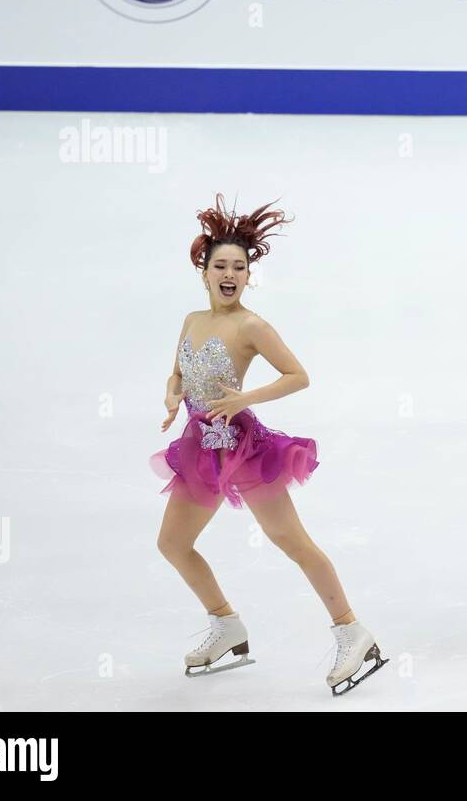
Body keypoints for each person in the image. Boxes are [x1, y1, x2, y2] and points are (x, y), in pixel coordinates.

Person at [151, 193, 386, 694]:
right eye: (221, 265)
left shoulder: (251, 325)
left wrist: (244, 399)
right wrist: (173, 400)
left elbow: (298, 376)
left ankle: (352, 630)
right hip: (200, 446)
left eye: (240, 266)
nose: (230, 273)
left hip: (244, 448)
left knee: (290, 541)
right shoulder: (192, 320)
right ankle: (227, 625)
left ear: (248, 274)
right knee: (172, 543)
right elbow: (177, 373)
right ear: (205, 271)